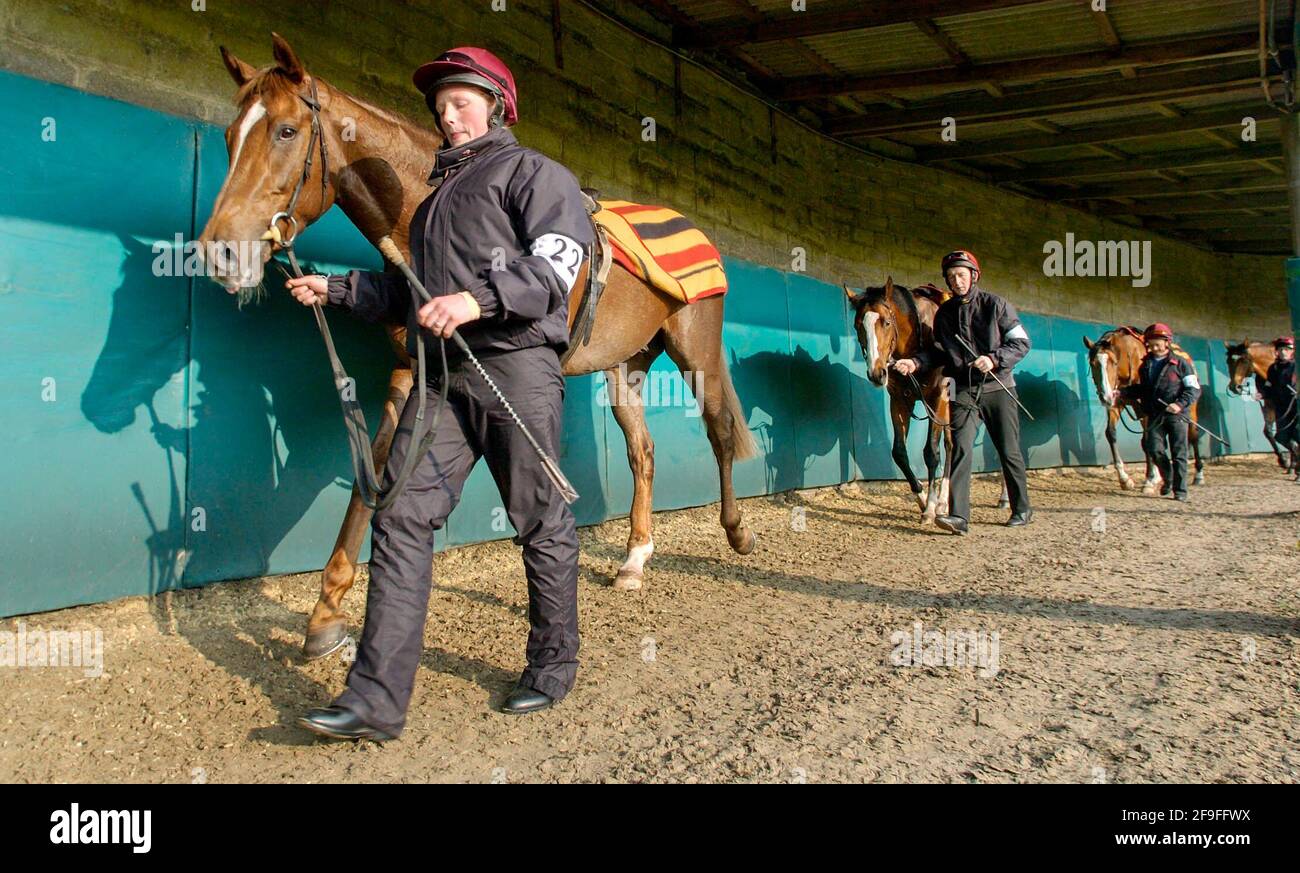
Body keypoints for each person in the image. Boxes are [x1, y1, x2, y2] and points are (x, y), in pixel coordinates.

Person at [286, 47, 593, 740]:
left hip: (516, 368)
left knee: (539, 520)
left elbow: (555, 270)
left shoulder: (536, 174)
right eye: (441, 106)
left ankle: (552, 666)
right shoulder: (430, 209)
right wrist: (334, 289)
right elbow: (410, 293)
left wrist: (476, 301)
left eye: (462, 102)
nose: (449, 116)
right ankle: (374, 701)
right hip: (442, 380)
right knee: (398, 516)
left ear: (498, 104)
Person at [892, 250, 1032, 534]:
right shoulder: (945, 314)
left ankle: (1022, 508)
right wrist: (915, 362)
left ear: (974, 276)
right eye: (952, 276)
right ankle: (959, 517)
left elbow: (1021, 343)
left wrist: (994, 359)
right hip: (963, 389)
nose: (957, 280)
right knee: (960, 448)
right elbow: (938, 352)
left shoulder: (997, 305)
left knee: (1008, 450)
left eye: (962, 275)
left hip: (998, 387)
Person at [1120, 323, 1201, 501]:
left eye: (1158, 344)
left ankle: (1180, 491)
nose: (1154, 348)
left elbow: (1193, 389)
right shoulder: (1146, 365)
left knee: (1179, 453)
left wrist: (1179, 404)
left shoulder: (1181, 364)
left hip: (1177, 415)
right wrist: (1122, 392)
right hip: (1155, 414)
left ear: (1167, 343)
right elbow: (1142, 389)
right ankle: (1168, 477)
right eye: (1151, 344)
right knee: (1153, 448)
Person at [1255, 335, 1298, 480]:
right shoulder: (1273, 368)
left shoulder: (1296, 366)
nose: (1283, 352)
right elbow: (1269, 386)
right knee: (1281, 437)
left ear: (1292, 351)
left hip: (1296, 406)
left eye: (1287, 349)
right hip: (1281, 407)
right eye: (1281, 349)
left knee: (1297, 436)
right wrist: (1262, 394)